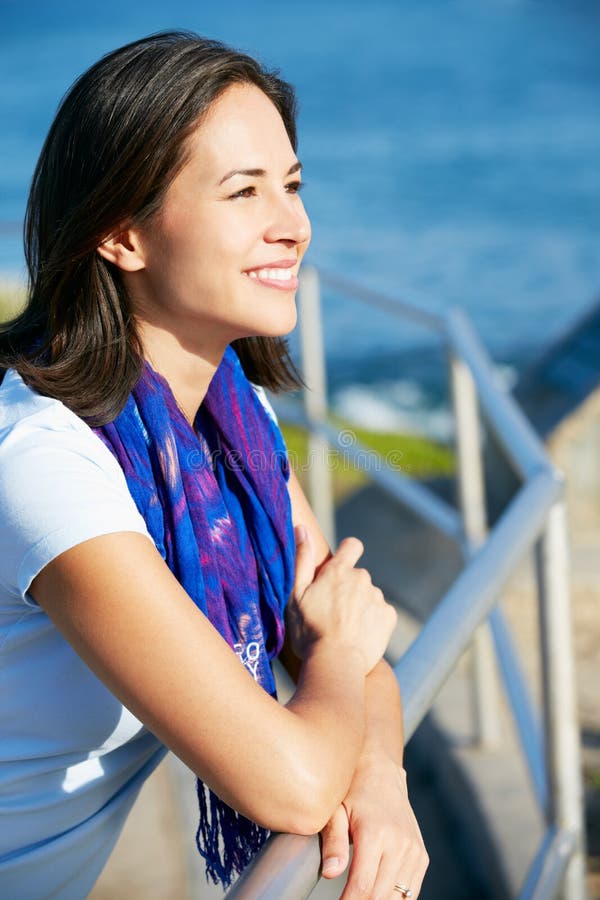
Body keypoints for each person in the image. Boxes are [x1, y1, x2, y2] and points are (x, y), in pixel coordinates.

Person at [0, 31, 428, 899]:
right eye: (244, 191)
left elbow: (346, 636)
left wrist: (382, 777)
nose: (294, 225)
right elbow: (297, 768)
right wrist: (341, 662)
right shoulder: (43, 461)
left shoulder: (234, 426)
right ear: (123, 234)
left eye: (294, 184)